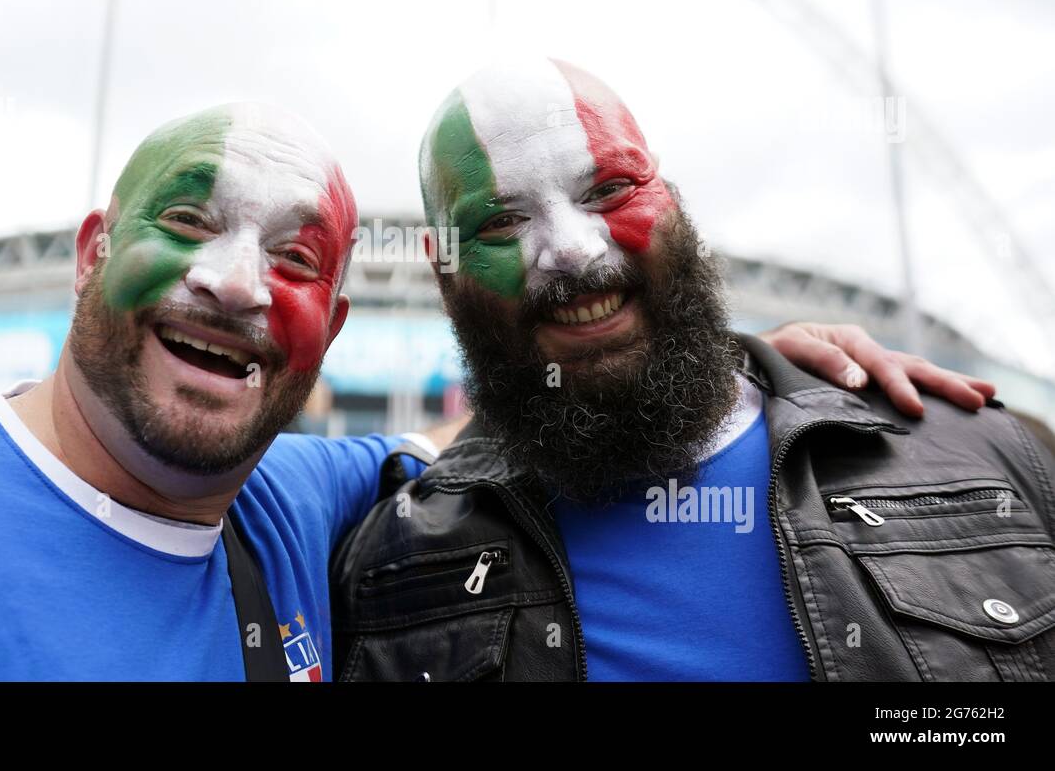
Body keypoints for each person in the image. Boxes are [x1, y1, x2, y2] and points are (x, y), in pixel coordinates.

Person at [0, 100, 994, 681]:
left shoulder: (337, 510)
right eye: (189, 224)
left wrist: (746, 359)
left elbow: (558, 414)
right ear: (92, 251)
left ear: (330, 330)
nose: (237, 283)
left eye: (294, 261)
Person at [331, 57, 1054, 682]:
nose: (576, 252)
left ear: (670, 200)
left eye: (609, 189)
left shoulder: (980, 454)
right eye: (501, 222)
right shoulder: (393, 559)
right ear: (443, 268)